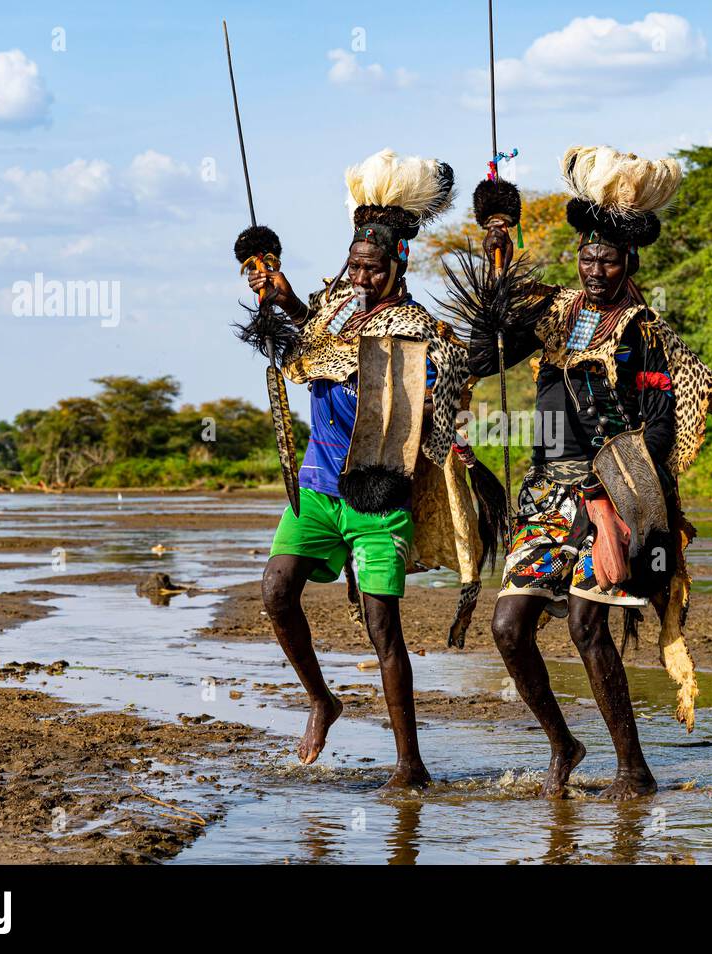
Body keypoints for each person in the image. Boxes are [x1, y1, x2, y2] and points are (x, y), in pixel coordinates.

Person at [450, 147, 712, 799]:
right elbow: (484, 357)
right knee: (508, 627)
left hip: (623, 498)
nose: (595, 268)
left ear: (629, 262)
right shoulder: (557, 315)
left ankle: (634, 769)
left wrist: (609, 507)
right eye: (586, 256)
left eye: (608, 259)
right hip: (551, 494)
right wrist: (497, 276)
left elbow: (659, 424)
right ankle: (563, 745)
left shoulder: (644, 332)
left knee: (584, 623)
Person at [236, 149, 504, 788]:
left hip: (380, 496)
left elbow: (440, 375)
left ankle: (409, 763)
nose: (360, 276)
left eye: (373, 267)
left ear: (398, 264)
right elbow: (313, 347)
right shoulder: (332, 310)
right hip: (317, 486)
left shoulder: (416, 328)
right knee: (276, 591)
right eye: (354, 265)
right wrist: (280, 297)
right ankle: (322, 700)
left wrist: (496, 270)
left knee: (385, 630)